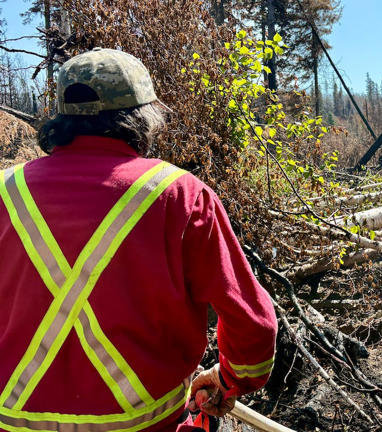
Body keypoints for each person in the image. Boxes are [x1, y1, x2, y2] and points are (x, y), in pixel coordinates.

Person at [0, 48, 277, 432]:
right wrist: (231, 380)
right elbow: (255, 328)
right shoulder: (180, 195)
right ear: (143, 117)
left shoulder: (5, 191)